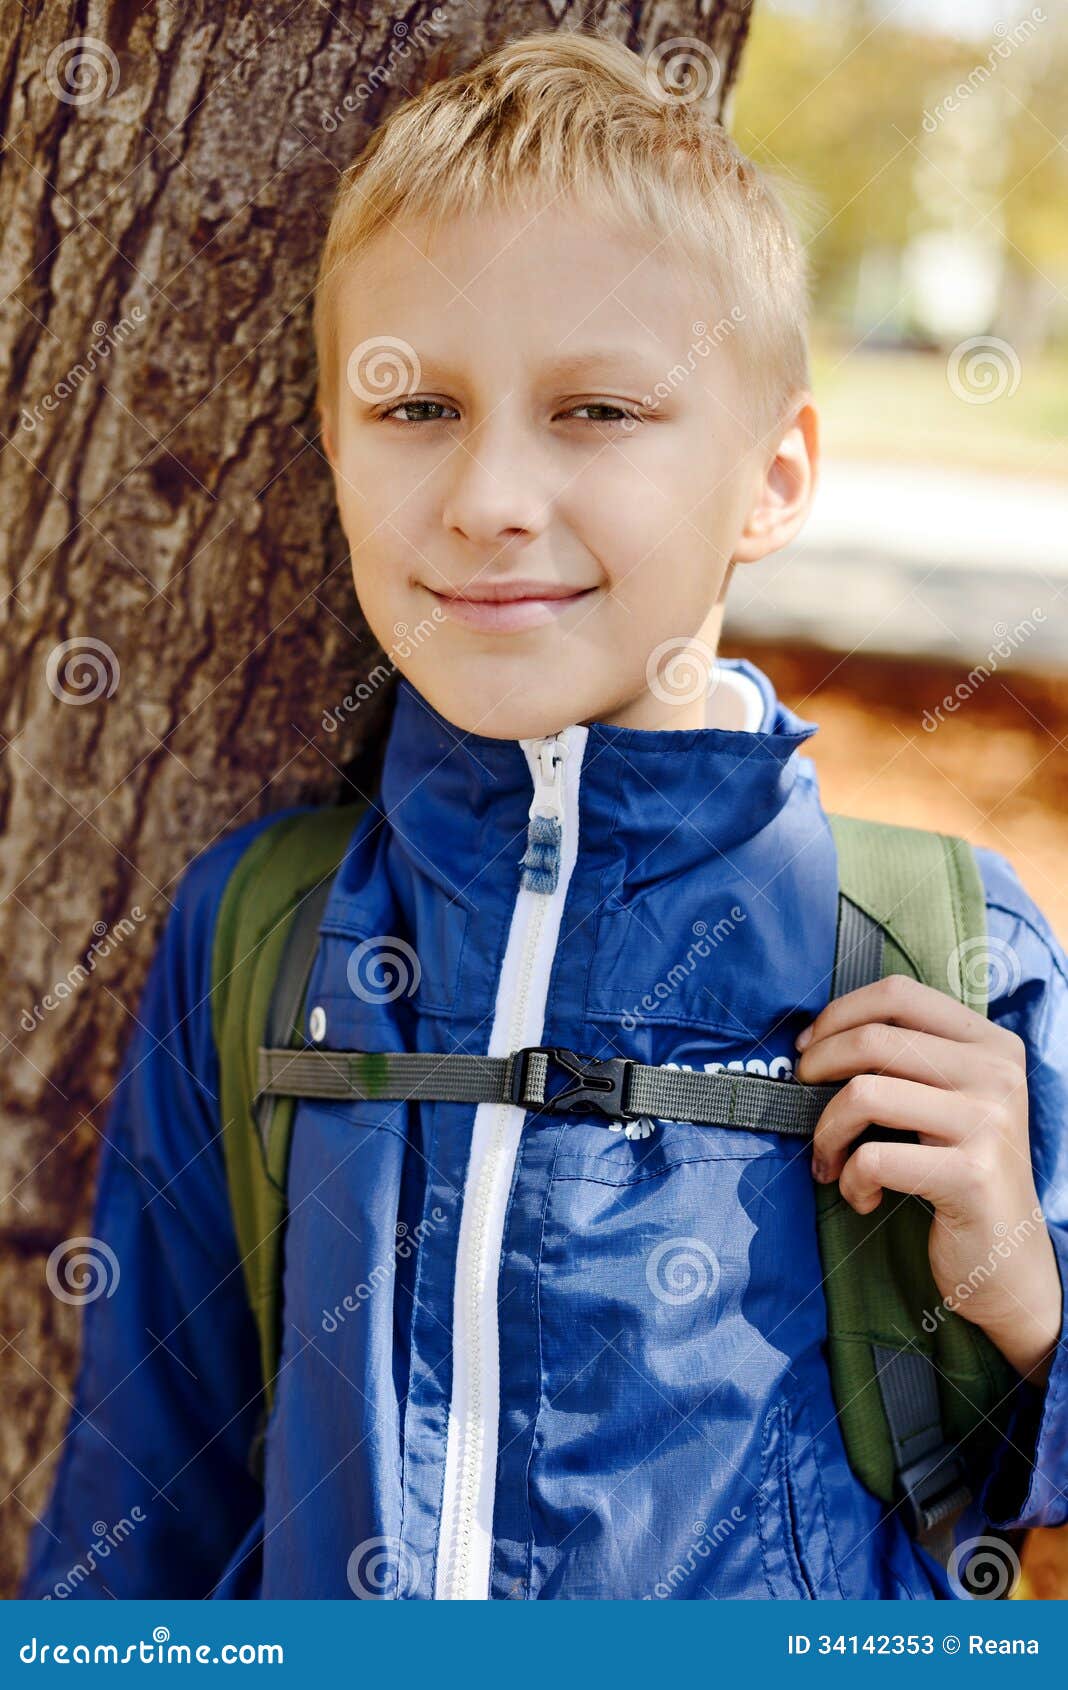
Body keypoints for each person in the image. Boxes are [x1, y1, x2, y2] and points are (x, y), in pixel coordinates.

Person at [20, 31, 1067, 1601]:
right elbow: (137, 1509)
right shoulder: (258, 931)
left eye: (594, 411)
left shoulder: (944, 953)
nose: (493, 494)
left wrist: (1031, 1305)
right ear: (332, 447)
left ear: (773, 479)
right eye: (418, 408)